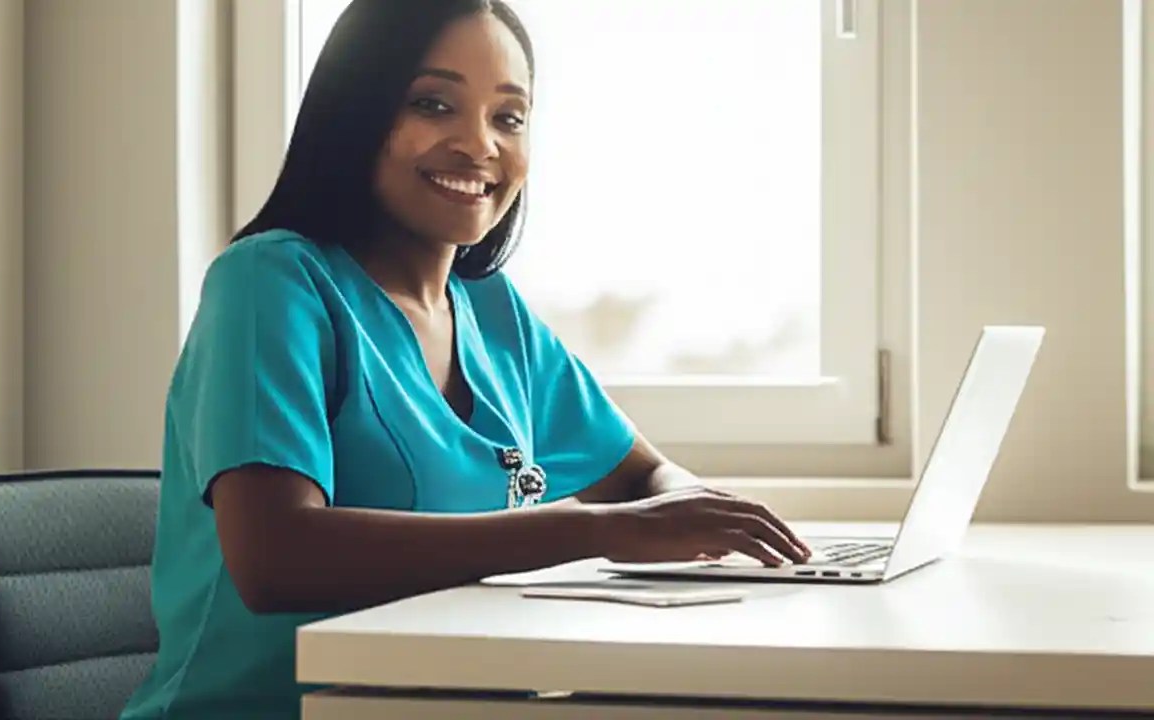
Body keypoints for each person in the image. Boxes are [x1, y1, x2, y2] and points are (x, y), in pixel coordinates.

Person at [121, 0, 811, 717]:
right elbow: (276, 558)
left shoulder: (489, 306)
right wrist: (603, 531)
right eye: (434, 104)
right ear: (357, 112)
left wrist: (701, 517)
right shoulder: (271, 284)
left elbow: (641, 476)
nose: (478, 144)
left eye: (507, 118)